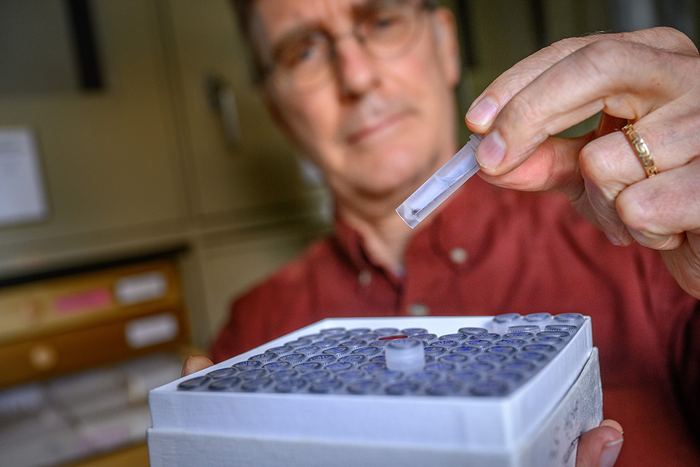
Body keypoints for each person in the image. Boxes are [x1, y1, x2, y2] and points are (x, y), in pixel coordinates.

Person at [183, 1, 700, 465]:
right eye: (304, 53)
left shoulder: (644, 243)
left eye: (381, 20)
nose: (357, 77)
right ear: (277, 110)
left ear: (446, 43)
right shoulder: (252, 342)